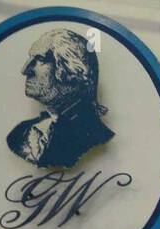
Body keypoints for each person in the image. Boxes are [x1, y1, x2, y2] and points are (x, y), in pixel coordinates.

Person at [7, 29, 114, 168]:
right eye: (30, 58)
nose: (24, 69)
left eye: (39, 59)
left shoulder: (94, 136)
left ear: (70, 70)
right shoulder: (22, 132)